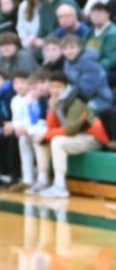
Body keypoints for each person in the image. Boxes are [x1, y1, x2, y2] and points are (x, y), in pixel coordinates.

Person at [35, 70, 110, 199]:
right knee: (41, 141)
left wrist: (47, 135)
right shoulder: (56, 101)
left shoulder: (75, 101)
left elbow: (71, 129)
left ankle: (60, 186)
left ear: (66, 87)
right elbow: (52, 127)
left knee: (56, 141)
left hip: (92, 138)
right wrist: (52, 110)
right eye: (52, 86)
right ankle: (43, 180)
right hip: (76, 137)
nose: (54, 90)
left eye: (58, 87)